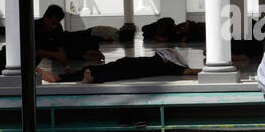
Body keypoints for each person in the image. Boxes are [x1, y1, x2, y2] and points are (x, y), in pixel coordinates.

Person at [49, 46, 200, 84]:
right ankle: (60, 77)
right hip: (129, 67)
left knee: (101, 71)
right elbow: (191, 71)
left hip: (128, 65)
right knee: (102, 72)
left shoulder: (168, 64)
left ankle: (62, 77)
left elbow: (190, 71)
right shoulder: (169, 64)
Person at [34, 4, 103, 68]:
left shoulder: (57, 27)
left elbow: (61, 46)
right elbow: (35, 51)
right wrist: (56, 55)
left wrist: (66, 66)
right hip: (36, 57)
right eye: (52, 23)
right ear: (45, 17)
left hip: (55, 48)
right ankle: (85, 54)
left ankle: (86, 52)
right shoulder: (34, 28)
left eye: (56, 24)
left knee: (72, 39)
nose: (54, 26)